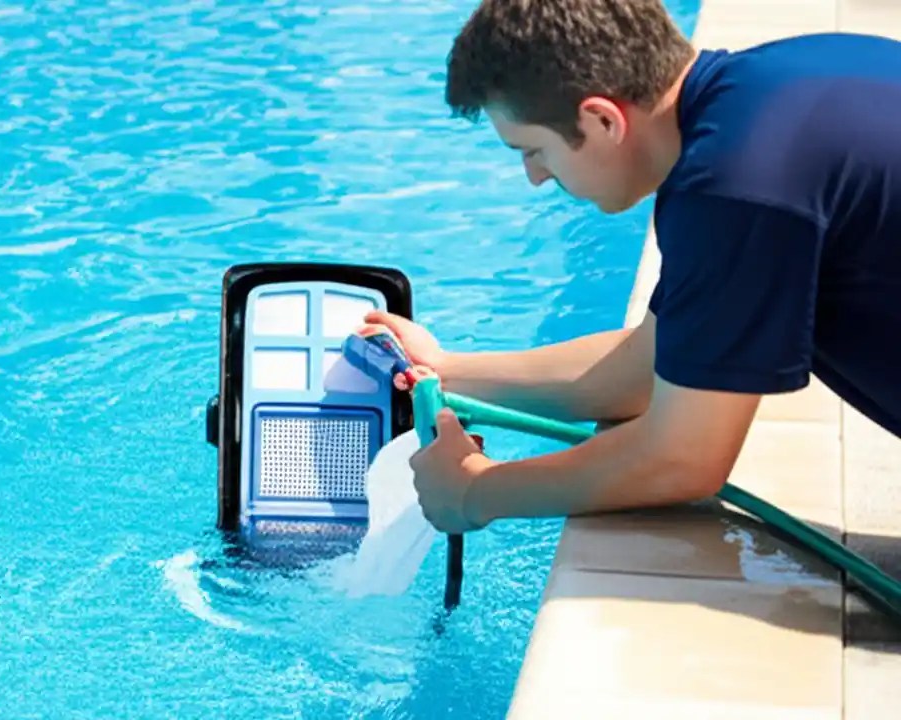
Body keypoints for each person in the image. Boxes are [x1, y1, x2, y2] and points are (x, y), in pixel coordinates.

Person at [359, 0, 901, 535]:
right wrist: (447, 369)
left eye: (532, 150)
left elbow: (684, 457)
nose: (535, 177)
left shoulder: (734, 187)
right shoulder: (792, 77)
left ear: (602, 120)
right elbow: (654, 363)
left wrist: (476, 492)